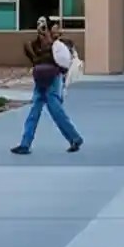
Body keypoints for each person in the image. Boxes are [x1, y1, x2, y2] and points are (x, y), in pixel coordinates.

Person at [11, 18, 84, 154]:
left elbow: (61, 60)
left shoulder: (60, 43)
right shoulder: (35, 44)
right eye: (39, 24)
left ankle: (74, 137)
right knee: (34, 111)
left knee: (55, 109)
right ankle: (25, 144)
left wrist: (49, 40)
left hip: (53, 79)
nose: (42, 28)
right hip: (41, 79)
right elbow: (34, 59)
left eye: (45, 25)